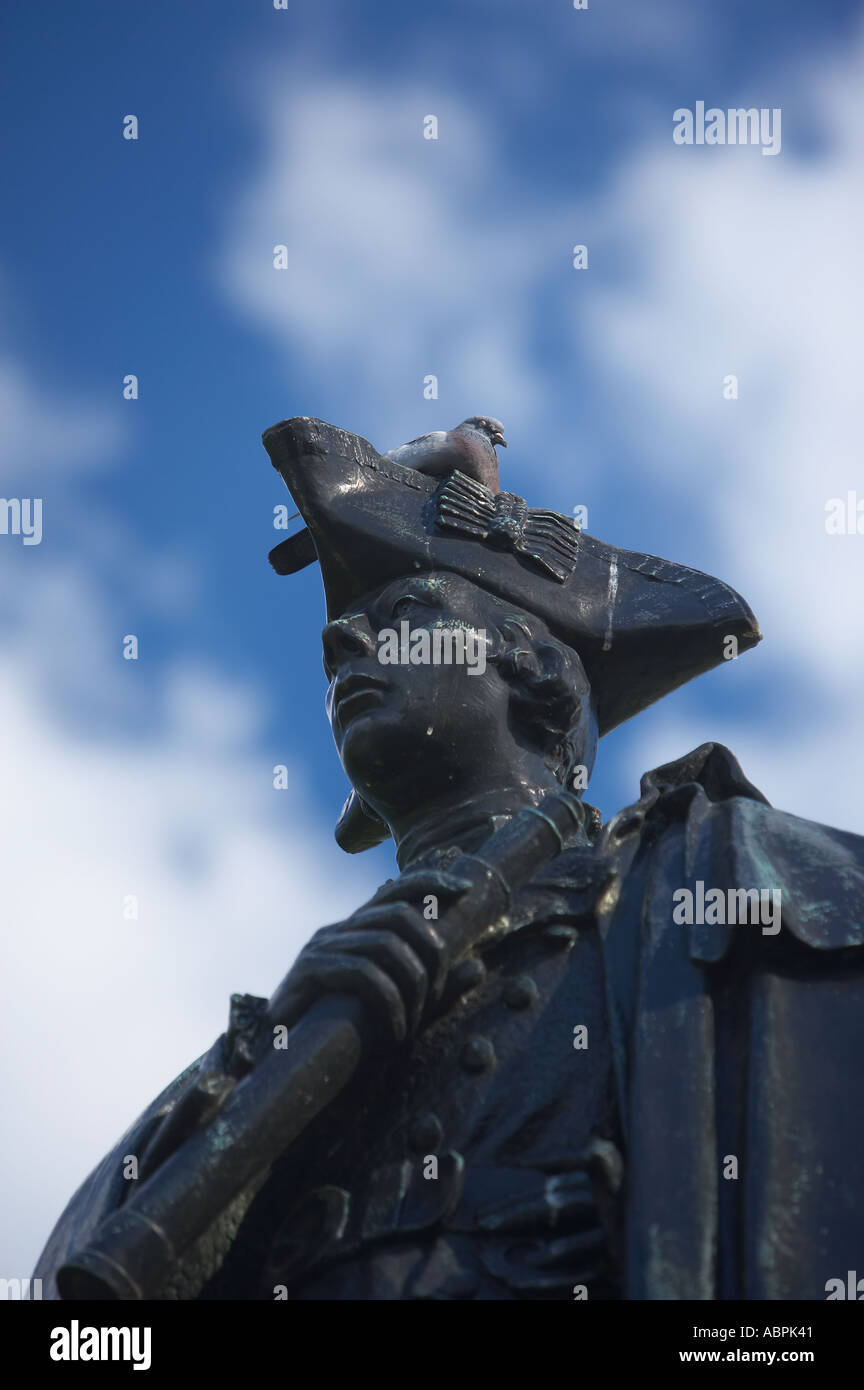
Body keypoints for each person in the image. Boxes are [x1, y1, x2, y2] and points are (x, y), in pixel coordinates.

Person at [34, 417, 864, 1300]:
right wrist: (252, 1069)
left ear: (535, 667)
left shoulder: (721, 880)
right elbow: (74, 1307)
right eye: (341, 640)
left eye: (405, 618)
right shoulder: (286, 1026)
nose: (341, 646)